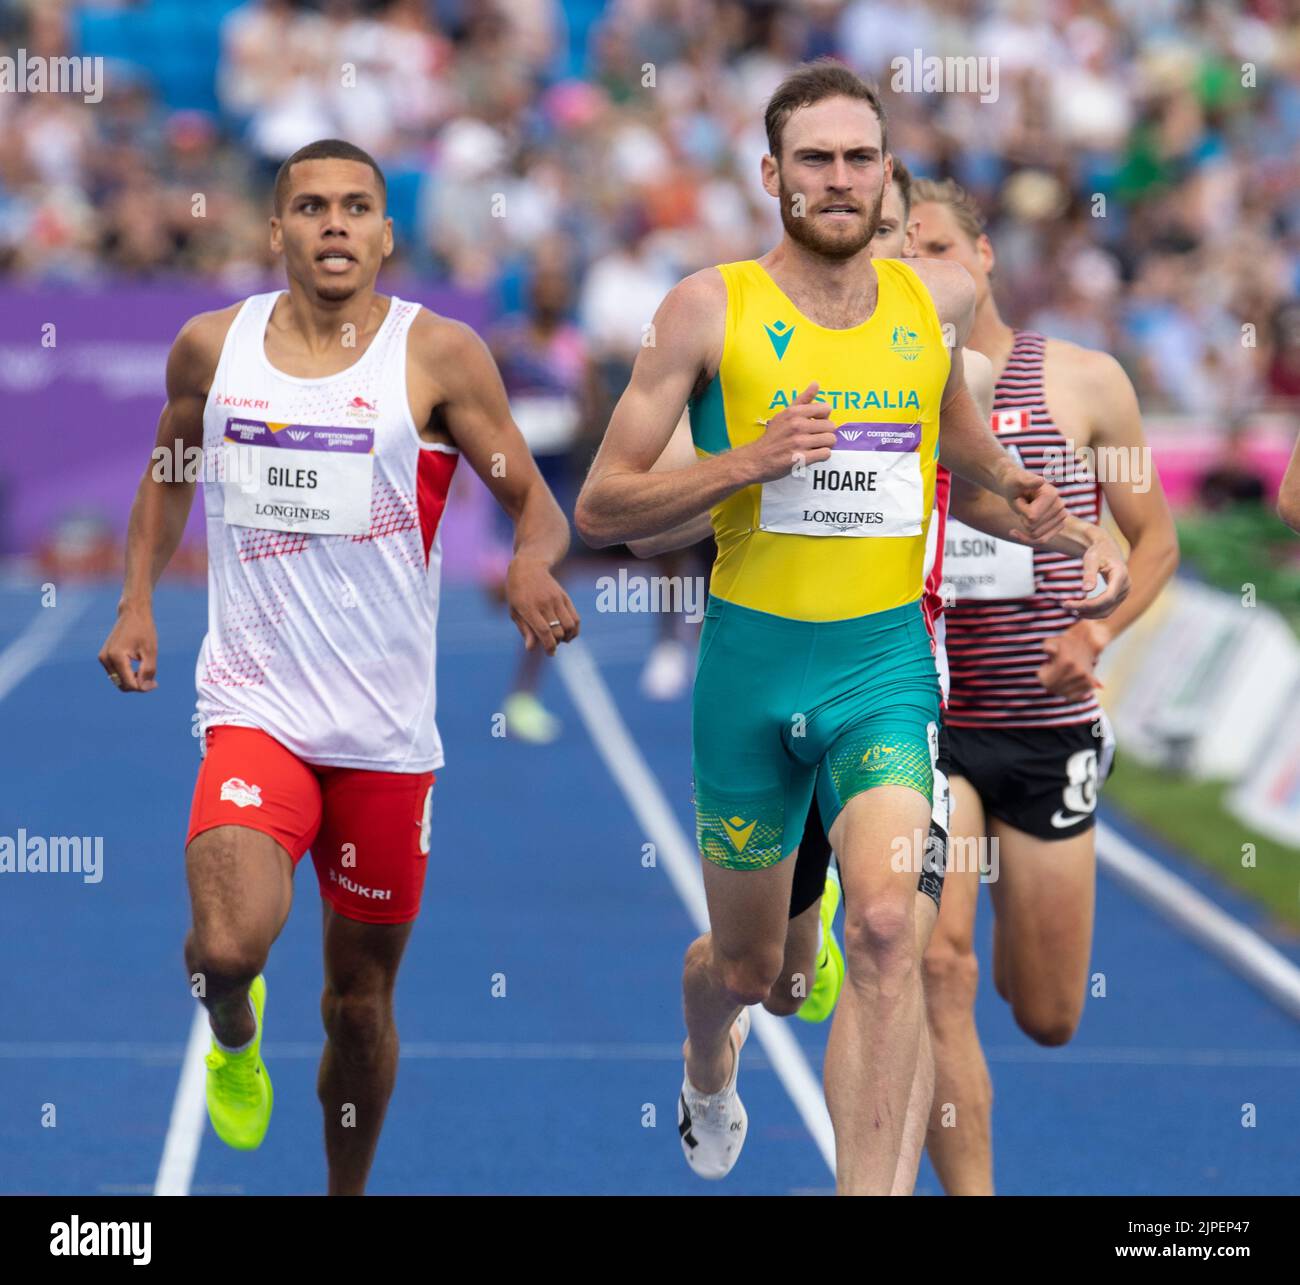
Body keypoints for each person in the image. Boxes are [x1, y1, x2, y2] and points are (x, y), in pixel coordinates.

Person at [575, 61, 1065, 1195]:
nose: (838, 180)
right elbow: (603, 506)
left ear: (886, 172)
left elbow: (960, 468)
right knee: (760, 975)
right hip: (749, 671)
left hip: (883, 666)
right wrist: (747, 460)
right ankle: (708, 1060)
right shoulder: (710, 305)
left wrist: (1035, 513)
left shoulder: (927, 309)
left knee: (890, 928)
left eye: (858, 159)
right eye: (814, 160)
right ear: (771, 174)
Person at [96, 139, 577, 1195]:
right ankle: (231, 1028)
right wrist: (137, 598)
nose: (333, 224)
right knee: (226, 946)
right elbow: (169, 466)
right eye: (310, 206)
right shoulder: (210, 349)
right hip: (252, 708)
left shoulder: (439, 355)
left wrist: (533, 565)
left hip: (384, 736)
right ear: (275, 229)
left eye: (356, 206)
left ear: (386, 232)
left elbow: (535, 504)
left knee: (357, 1005)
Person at [906, 176, 1178, 1195]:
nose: (914, 266)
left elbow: (1156, 542)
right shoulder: (888, 386)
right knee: (938, 965)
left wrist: (1097, 629)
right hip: (931, 720)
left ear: (982, 257)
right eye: (900, 251)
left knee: (1048, 1013)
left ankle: (1020, 924)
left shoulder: (1084, 381)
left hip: (1049, 725)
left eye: (933, 246)